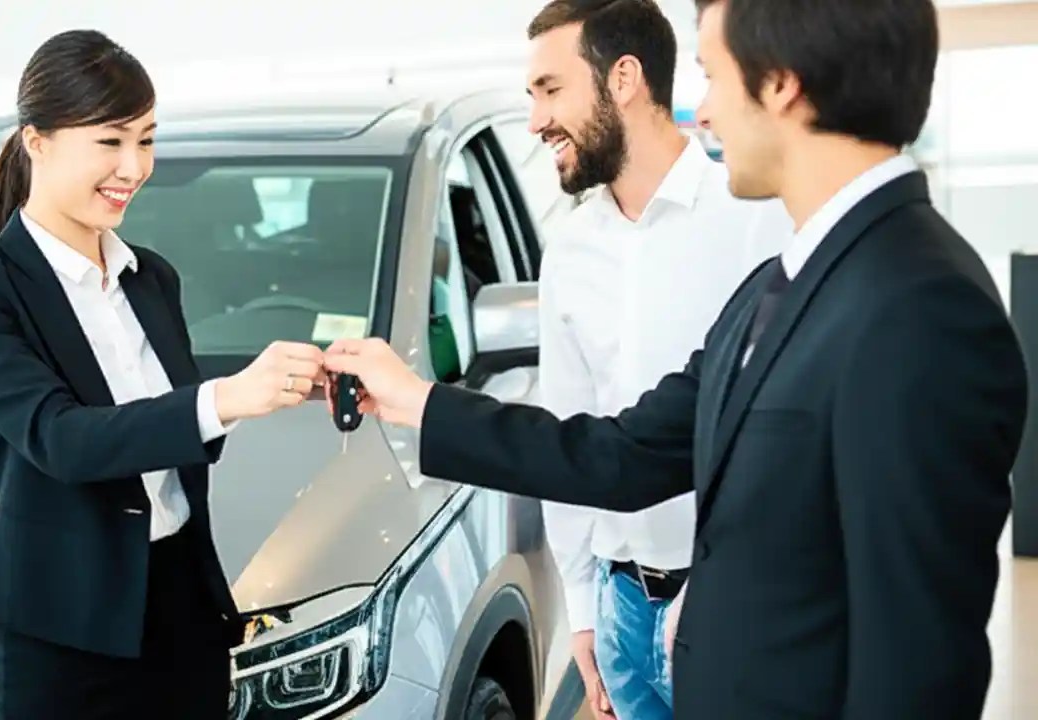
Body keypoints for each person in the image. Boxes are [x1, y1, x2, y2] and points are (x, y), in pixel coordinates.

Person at [322, 0, 1029, 717]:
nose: (708, 113)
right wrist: (418, 402)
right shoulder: (784, 283)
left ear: (780, 84)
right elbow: (622, 454)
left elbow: (914, 669)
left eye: (715, 78)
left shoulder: (923, 305)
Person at [0, 30, 325, 719]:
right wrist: (226, 397)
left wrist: (270, 391)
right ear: (37, 142)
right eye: (109, 141)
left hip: (181, 605)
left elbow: (181, 442)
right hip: (64, 628)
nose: (134, 166)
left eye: (145, 139)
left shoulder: (151, 277)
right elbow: (61, 440)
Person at [522, 2, 788, 718]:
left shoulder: (757, 221)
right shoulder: (569, 252)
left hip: (736, 603)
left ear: (625, 79)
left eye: (551, 89)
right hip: (622, 610)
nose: (536, 120)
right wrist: (583, 608)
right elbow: (569, 434)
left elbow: (786, 439)